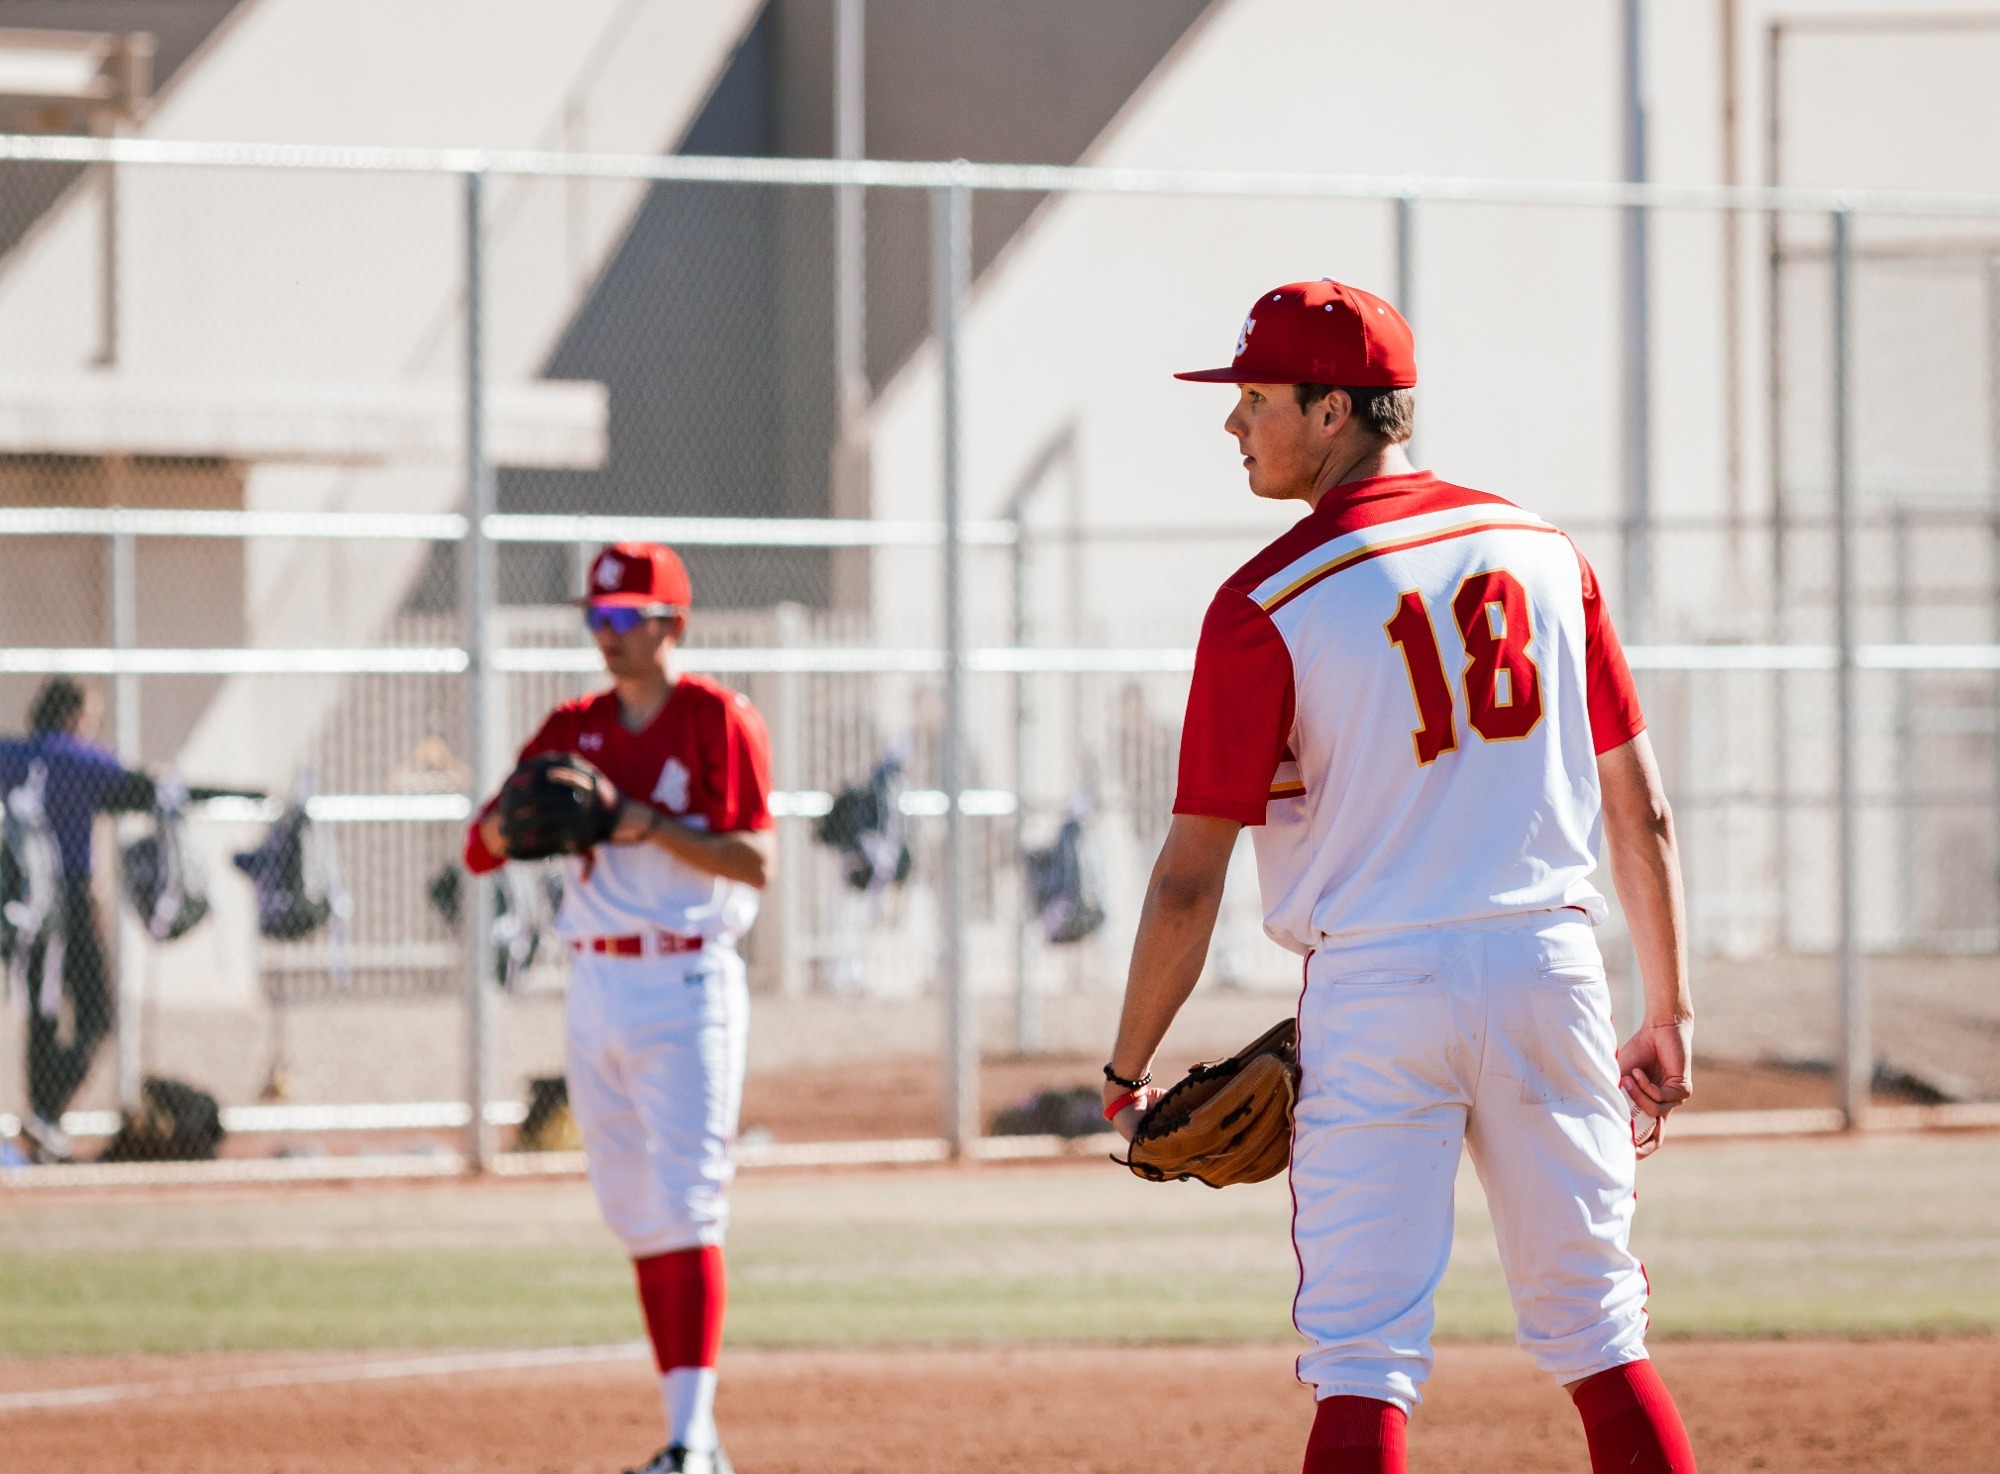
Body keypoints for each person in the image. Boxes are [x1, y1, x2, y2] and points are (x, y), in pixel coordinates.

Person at [1100, 280, 1698, 1474]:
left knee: (1362, 1359)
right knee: (1599, 1333)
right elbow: (1642, 811)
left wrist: (1125, 1071)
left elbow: (1185, 883)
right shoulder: (1545, 552)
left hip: (1379, 988)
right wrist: (1669, 1006)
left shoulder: (1264, 601)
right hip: (1547, 967)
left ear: (1333, 410)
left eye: (1255, 398)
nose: (1233, 423)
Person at [464, 542, 773, 1474]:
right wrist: (520, 818)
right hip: (594, 984)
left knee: (688, 1201)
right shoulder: (573, 726)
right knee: (635, 1209)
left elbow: (755, 862)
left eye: (625, 617)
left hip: (687, 979)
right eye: (597, 618)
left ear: (672, 623)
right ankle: (692, 1438)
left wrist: (636, 820)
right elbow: (480, 846)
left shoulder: (717, 719)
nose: (607, 634)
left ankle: (692, 1441)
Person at [0, 678, 158, 1163]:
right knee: (96, 1015)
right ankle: (46, 1112)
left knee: (43, 1012)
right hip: (66, 897)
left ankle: (43, 1117)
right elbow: (143, 790)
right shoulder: (80, 758)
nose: (94, 726)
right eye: (90, 716)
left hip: (24, 903)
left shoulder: (12, 754)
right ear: (71, 716)